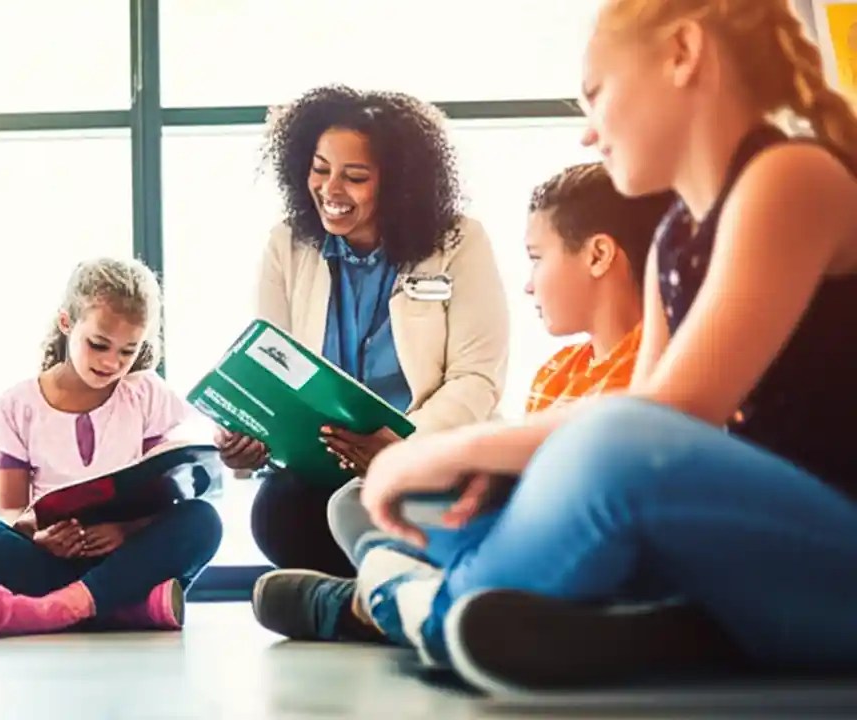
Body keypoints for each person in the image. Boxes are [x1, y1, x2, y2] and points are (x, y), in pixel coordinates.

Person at [359, 0, 857, 694]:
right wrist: (497, 469)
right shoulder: (674, 240)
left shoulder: (792, 176)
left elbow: (667, 415)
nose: (590, 132)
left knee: (615, 442)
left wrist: (446, 446)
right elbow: (651, 412)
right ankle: (628, 620)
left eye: (596, 95)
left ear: (683, 53)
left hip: (832, 566)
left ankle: (422, 604)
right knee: (416, 502)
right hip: (745, 560)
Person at [254, 161, 673, 642]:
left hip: (587, 544)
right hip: (522, 537)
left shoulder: (660, 365)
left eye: (537, 257)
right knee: (355, 503)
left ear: (597, 255)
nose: (529, 283)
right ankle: (432, 599)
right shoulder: (557, 372)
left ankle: (370, 606)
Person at [220, 85, 510, 578]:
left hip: (426, 459)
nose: (331, 190)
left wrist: (404, 441)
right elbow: (266, 365)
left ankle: (361, 594)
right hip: (325, 465)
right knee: (278, 513)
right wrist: (249, 431)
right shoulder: (286, 244)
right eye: (319, 168)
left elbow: (476, 377)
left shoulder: (460, 242)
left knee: (425, 509)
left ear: (397, 184)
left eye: (355, 177)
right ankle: (385, 587)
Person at [0, 257, 223, 636]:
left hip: (128, 552)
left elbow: (166, 494)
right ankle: (128, 608)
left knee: (203, 521)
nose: (112, 362)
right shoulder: (17, 407)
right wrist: (41, 538)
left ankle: (59, 609)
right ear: (67, 323)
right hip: (52, 557)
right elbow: (10, 510)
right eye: (99, 345)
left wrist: (126, 531)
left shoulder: (144, 394)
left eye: (128, 351)